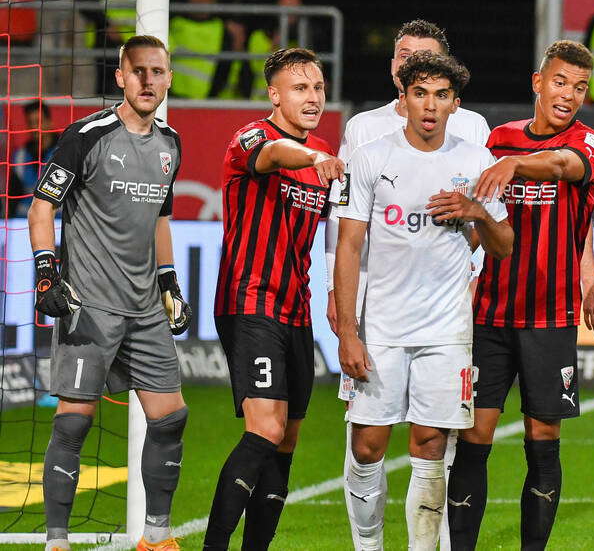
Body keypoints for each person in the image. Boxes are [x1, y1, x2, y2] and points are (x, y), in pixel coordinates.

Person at [335, 51, 512, 550]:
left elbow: (503, 246)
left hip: (446, 330)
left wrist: (477, 211)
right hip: (382, 327)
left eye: (441, 95)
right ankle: (368, 546)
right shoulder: (372, 157)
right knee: (367, 446)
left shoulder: (475, 161)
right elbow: (348, 246)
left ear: (455, 103)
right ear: (404, 98)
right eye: (420, 94)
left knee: (431, 445)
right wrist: (348, 331)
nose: (430, 105)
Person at [28, 35, 190, 551]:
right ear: (120, 77)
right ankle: (57, 542)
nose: (148, 80)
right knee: (74, 424)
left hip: (145, 310)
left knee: (171, 417)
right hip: (89, 307)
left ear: (169, 78)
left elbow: (161, 217)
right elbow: (41, 207)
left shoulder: (171, 144)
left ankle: (156, 538)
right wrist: (46, 273)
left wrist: (169, 280)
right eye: (138, 71)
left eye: (157, 71)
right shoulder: (87, 136)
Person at [447, 40, 594, 550]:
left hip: (551, 318)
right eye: (560, 82)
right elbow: (482, 221)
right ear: (538, 82)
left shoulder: (591, 144)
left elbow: (562, 166)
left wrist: (515, 165)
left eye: (580, 87)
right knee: (474, 437)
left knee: (543, 440)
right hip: (490, 314)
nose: (569, 95)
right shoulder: (499, 138)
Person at [204, 48, 344, 550]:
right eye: (300, 88)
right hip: (250, 301)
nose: (313, 97)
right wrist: (315, 158)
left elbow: (340, 231)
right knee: (265, 428)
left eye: (318, 88)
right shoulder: (252, 139)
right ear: (274, 95)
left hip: (297, 308)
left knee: (286, 440)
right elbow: (277, 154)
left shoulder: (323, 150)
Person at [168, 0, 251, 100]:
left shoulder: (224, 30)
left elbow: (227, 69)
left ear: (214, 0)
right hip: (173, 101)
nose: (201, 1)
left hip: (209, 102)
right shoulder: (172, 25)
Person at [247, 0, 304, 101]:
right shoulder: (259, 36)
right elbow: (256, 68)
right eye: (287, 8)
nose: (290, 14)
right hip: (262, 101)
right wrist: (274, 46)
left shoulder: (304, 41)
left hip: (293, 103)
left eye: (295, 9)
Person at [8, 101, 58, 217]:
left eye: (39, 122)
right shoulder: (20, 155)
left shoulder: (64, 152)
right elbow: (13, 193)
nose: (35, 127)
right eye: (31, 123)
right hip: (23, 218)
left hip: (56, 218)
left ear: (49, 122)